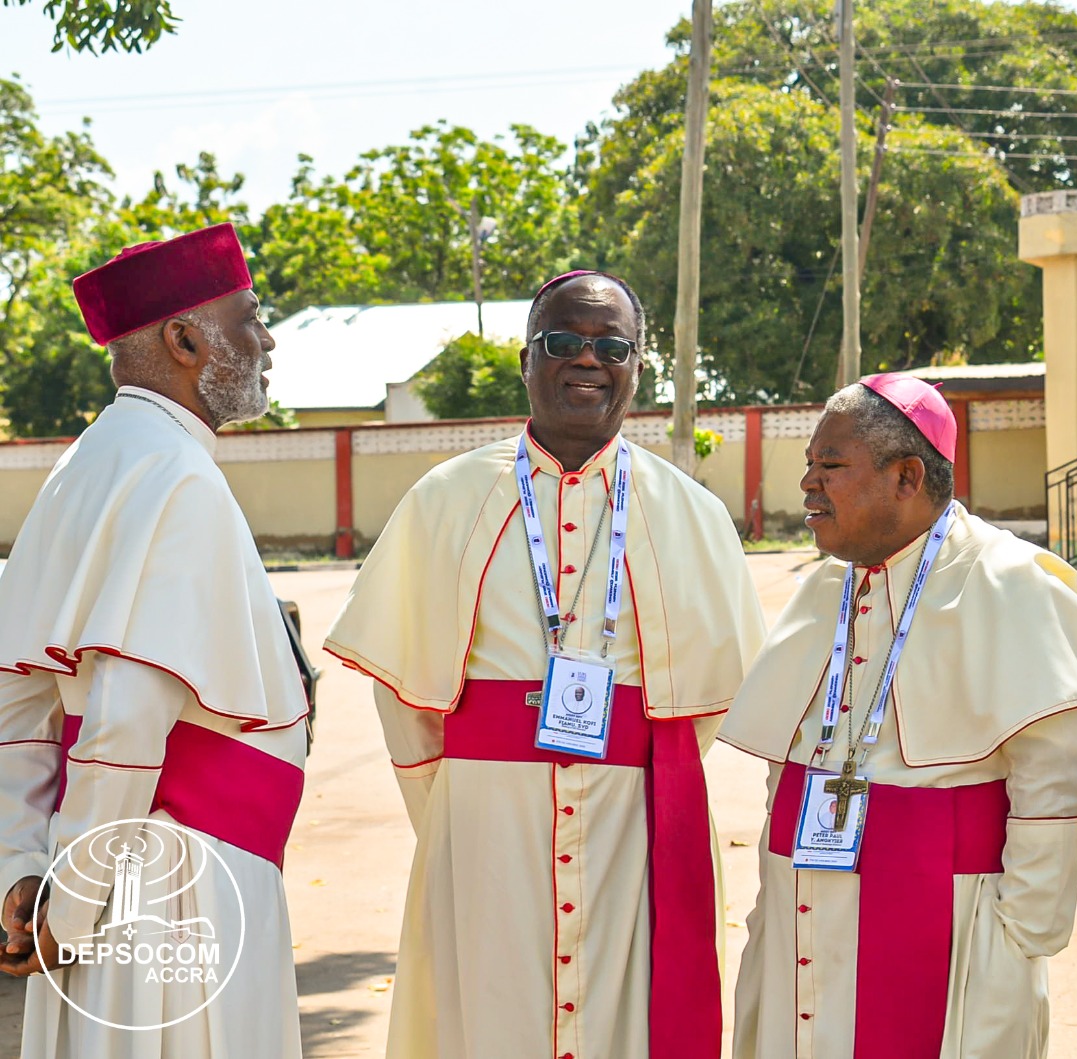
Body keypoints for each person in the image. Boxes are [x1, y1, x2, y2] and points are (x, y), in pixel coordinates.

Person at [324, 270, 765, 1059]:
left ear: (638, 367)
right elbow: (408, 703)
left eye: (611, 346)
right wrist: (464, 813)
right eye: (564, 342)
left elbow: (706, 709)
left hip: (634, 832)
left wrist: (621, 780)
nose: (587, 360)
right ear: (528, 360)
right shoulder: (444, 499)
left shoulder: (690, 513)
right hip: (486, 831)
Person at [719, 374, 1077, 1058]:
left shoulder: (1008, 579)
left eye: (831, 467)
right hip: (806, 917)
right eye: (808, 467)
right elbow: (785, 761)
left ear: (907, 476)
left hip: (946, 918)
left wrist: (1019, 939)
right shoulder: (827, 584)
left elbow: (1055, 771)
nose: (808, 486)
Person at [0, 222, 308, 1056]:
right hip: (175, 887)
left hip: (103, 878)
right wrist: (70, 902)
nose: (266, 336)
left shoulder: (87, 461)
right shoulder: (177, 475)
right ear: (183, 338)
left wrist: (25, 868)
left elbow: (17, 703)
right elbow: (125, 719)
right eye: (248, 315)